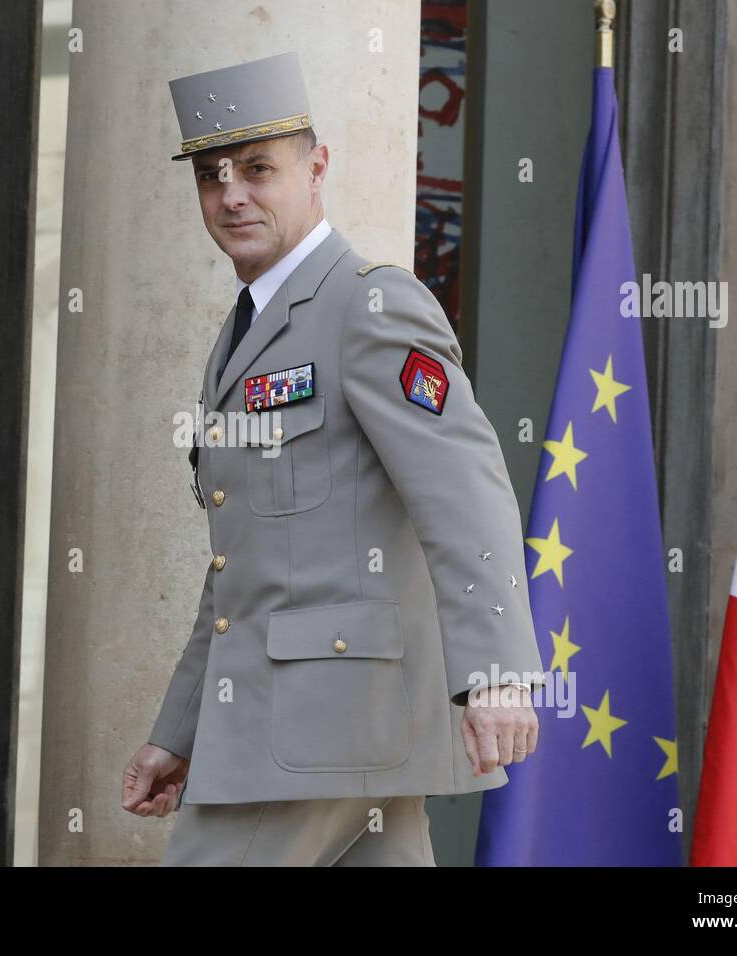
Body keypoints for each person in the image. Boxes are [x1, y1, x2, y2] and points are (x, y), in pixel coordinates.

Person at [120, 52, 546, 866]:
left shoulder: (368, 306)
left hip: (312, 737)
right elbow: (239, 570)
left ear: (316, 169)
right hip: (323, 735)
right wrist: (180, 733)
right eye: (211, 176)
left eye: (257, 168)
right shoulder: (246, 330)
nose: (232, 193)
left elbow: (467, 492)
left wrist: (498, 672)